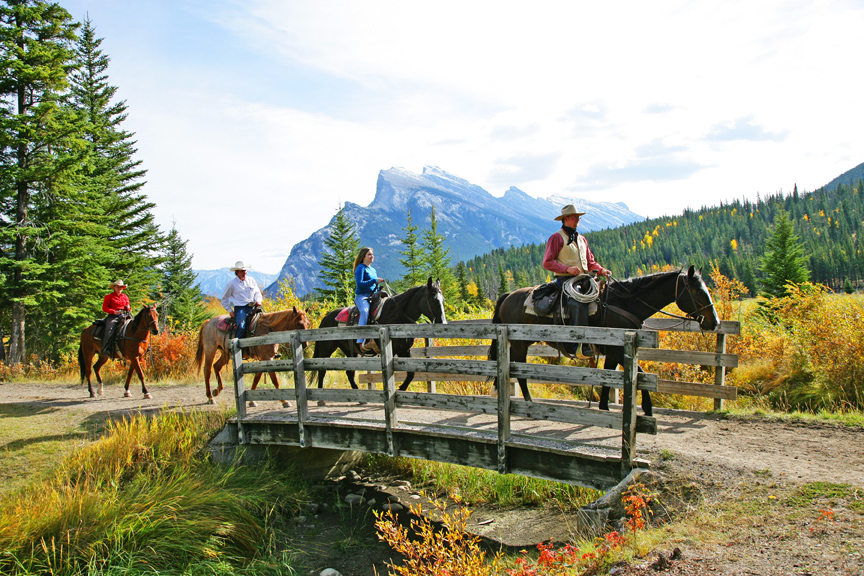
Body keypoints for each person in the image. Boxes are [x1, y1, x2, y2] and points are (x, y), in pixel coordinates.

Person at [542, 204, 611, 357]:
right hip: (566, 280)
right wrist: (567, 269)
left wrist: (601, 270)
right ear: (566, 218)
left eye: (578, 217)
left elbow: (590, 262)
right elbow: (547, 262)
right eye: (575, 217)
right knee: (578, 302)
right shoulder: (556, 238)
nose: (578, 219)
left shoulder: (582, 239)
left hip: (584, 279)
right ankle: (580, 345)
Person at [353, 247, 385, 352]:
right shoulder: (360, 268)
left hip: (373, 296)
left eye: (372, 254)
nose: (372, 256)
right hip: (362, 296)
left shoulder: (373, 270)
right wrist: (374, 281)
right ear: (363, 257)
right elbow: (360, 284)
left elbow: (373, 285)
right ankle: (360, 341)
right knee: (365, 311)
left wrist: (379, 289)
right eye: (369, 254)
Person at [221, 260, 263, 339]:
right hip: (241, 309)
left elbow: (257, 292)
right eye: (242, 271)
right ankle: (237, 344)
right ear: (237, 272)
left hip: (253, 307)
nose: (245, 273)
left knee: (264, 323)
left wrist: (258, 300)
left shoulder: (251, 280)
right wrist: (230, 311)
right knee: (241, 327)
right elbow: (224, 299)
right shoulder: (231, 284)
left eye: (245, 270)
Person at [102, 279, 131, 358]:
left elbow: (129, 307)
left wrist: (128, 308)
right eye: (118, 287)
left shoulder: (125, 297)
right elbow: (104, 308)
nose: (119, 288)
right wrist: (114, 312)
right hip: (113, 316)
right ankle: (106, 348)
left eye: (121, 287)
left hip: (124, 315)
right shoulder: (109, 297)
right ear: (114, 287)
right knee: (109, 329)